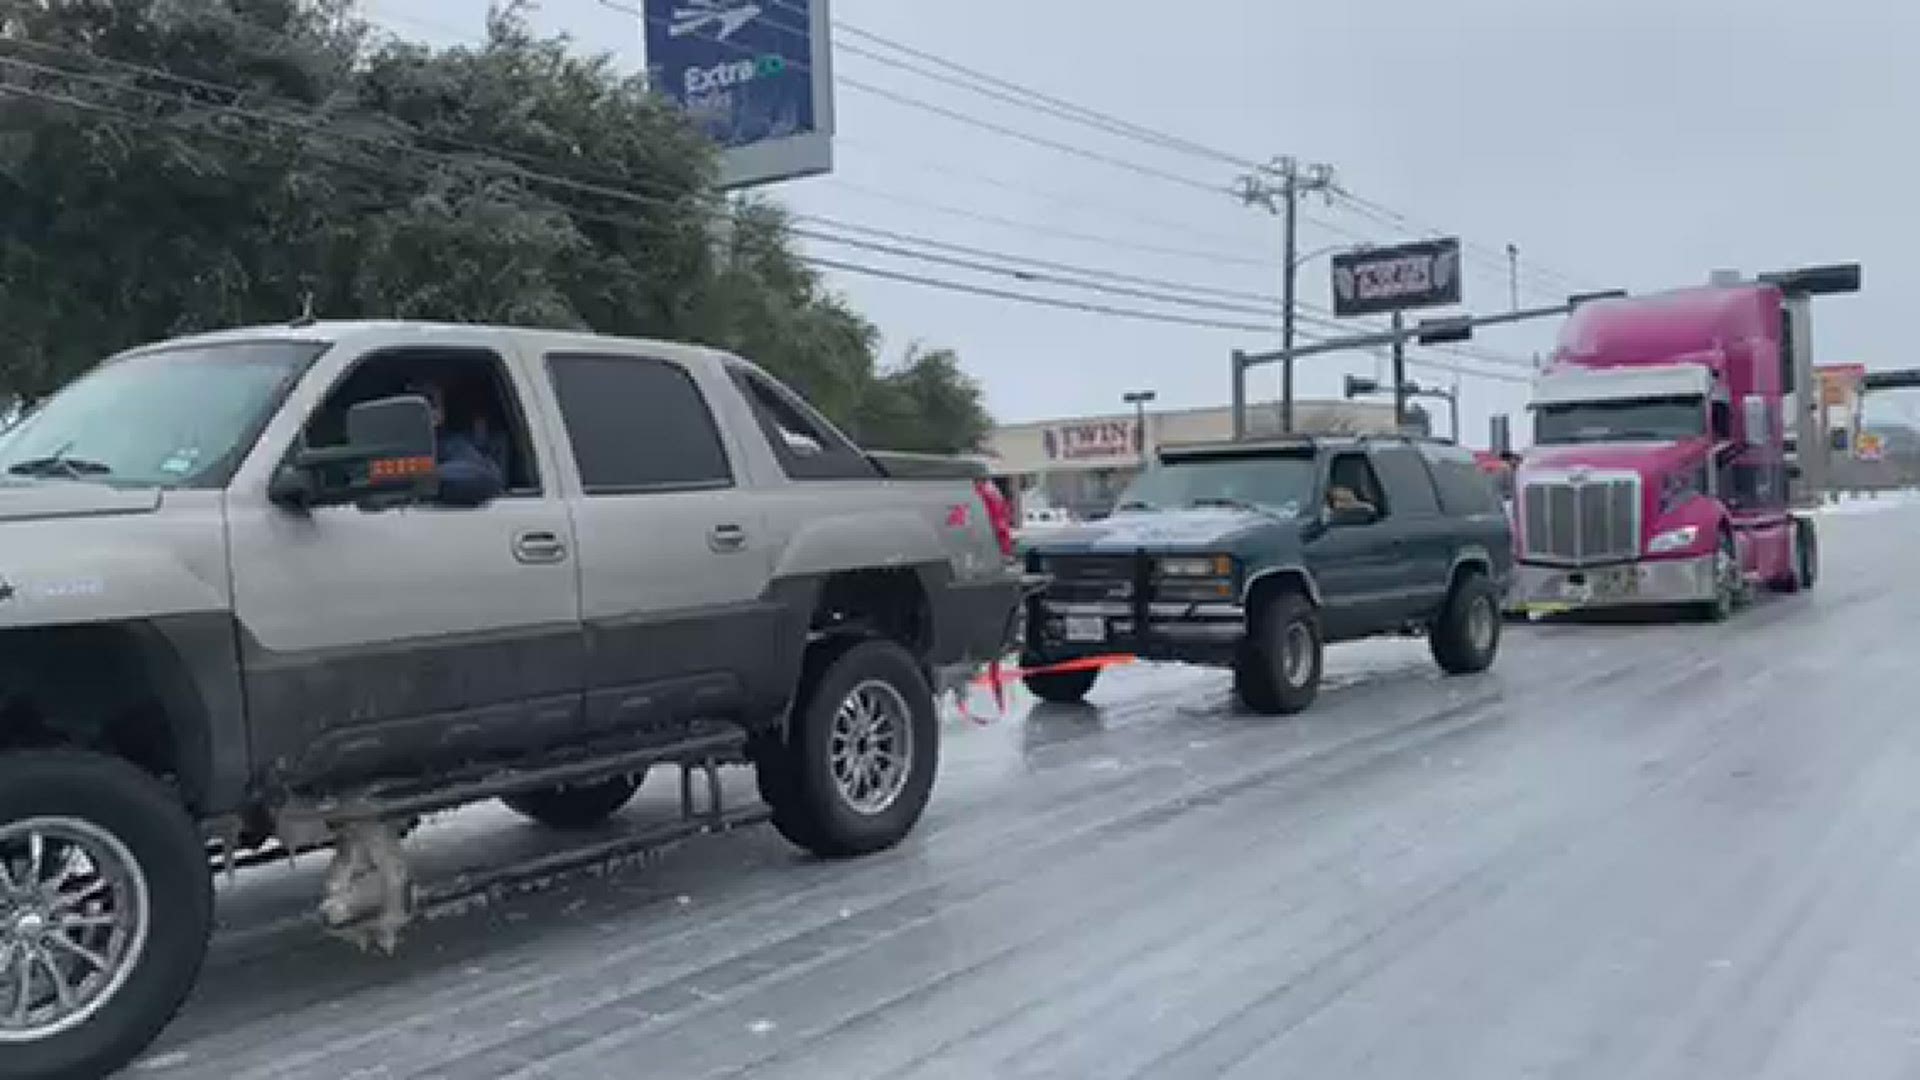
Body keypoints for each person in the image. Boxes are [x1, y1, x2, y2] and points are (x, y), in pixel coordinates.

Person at [404, 376, 504, 506]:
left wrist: (417, 478)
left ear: (439, 414)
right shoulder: (378, 446)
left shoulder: (449, 445)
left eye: (429, 402)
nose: (416, 411)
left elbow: (485, 476)